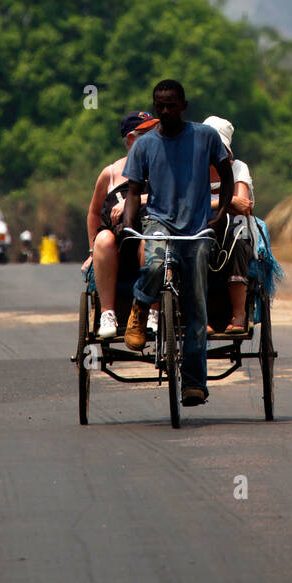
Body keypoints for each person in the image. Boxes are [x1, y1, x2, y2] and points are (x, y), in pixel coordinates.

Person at [122, 79, 234, 407]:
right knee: (154, 264)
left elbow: (226, 178)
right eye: (160, 106)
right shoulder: (144, 145)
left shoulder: (205, 137)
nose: (166, 111)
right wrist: (130, 223)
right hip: (158, 222)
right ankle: (141, 304)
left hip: (196, 227)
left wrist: (220, 213)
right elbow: (132, 190)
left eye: (172, 105)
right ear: (155, 107)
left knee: (196, 305)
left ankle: (194, 383)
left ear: (183, 106)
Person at [85, 111, 159, 339]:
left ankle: (153, 311)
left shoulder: (161, 167)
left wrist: (135, 200)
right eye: (148, 133)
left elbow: (173, 197)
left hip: (151, 235)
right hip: (118, 241)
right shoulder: (111, 172)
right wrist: (91, 250)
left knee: (150, 239)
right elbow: (94, 213)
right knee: (103, 239)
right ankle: (108, 313)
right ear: (132, 139)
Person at [202, 115, 256, 334]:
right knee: (191, 246)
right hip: (202, 228)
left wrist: (208, 203)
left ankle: (239, 314)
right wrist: (227, 200)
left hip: (231, 230)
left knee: (238, 239)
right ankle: (199, 316)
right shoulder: (193, 168)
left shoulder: (237, 168)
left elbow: (242, 205)